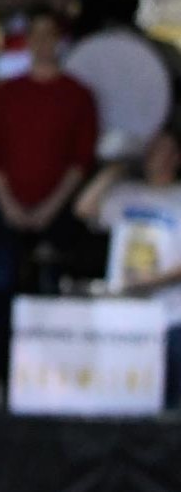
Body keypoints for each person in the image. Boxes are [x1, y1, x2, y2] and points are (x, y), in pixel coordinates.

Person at [0, 8, 97, 294]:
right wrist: (9, 206)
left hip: (59, 208)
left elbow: (81, 160)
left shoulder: (78, 95)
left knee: (53, 287)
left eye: (49, 34)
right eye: (37, 35)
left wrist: (50, 209)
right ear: (28, 40)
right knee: (2, 283)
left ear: (59, 40)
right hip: (8, 207)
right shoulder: (7, 93)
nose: (43, 42)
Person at [74, 129, 181, 408]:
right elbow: (84, 209)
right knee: (123, 399)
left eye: (162, 150)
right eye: (151, 149)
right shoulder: (126, 194)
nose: (154, 156)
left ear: (176, 157)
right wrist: (115, 169)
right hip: (124, 316)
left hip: (172, 315)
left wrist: (153, 280)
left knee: (171, 403)